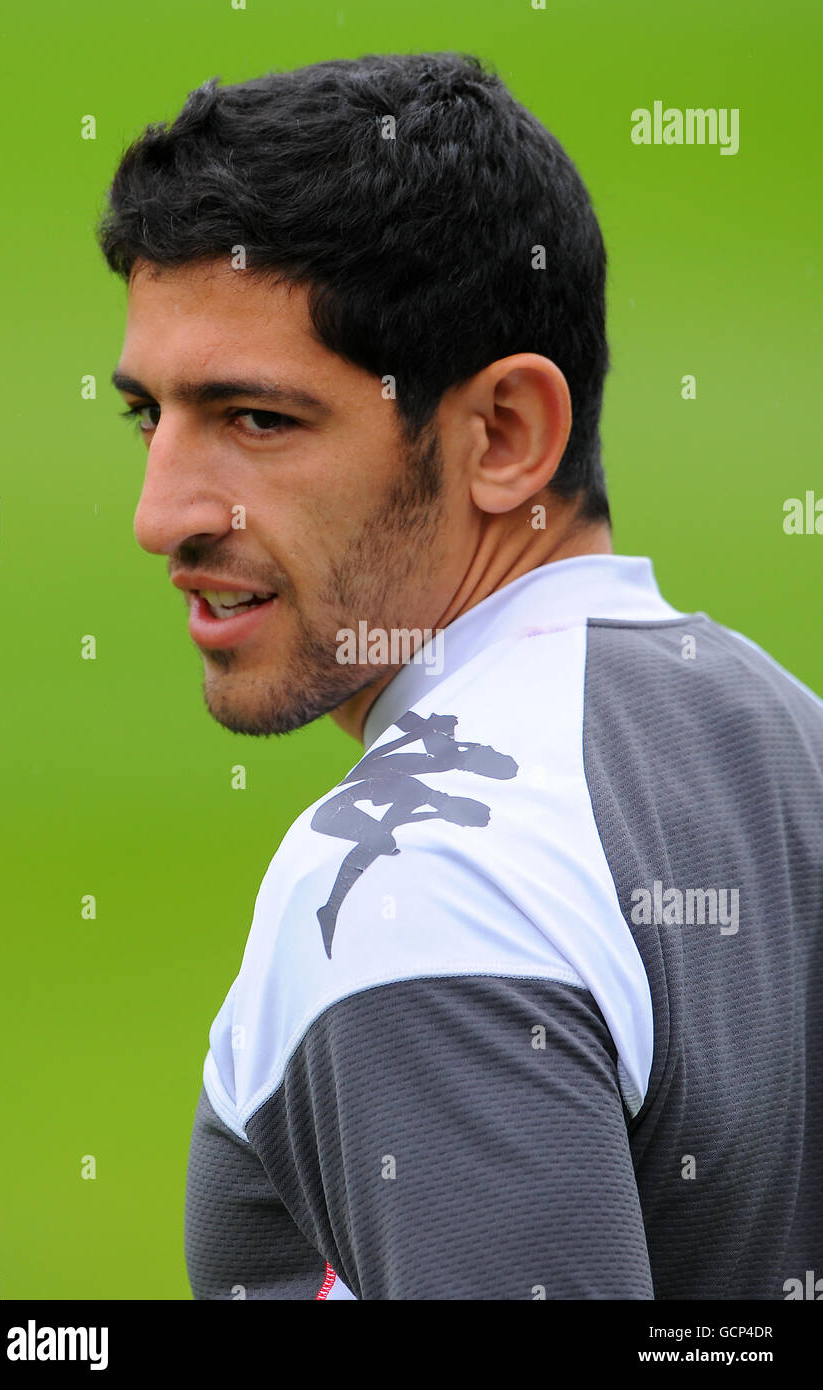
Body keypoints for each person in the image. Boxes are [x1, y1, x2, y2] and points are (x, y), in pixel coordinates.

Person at [98, 52, 823, 1299]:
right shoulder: (783, 729)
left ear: (502, 435)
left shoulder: (412, 879)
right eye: (147, 416)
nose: (160, 513)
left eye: (256, 419)